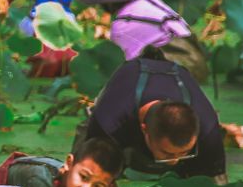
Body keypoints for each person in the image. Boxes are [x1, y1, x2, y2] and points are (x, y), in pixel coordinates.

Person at [76, 52, 226, 180]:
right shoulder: (109, 122)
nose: (174, 161)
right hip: (125, 105)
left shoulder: (207, 126)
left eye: (185, 152)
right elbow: (95, 181)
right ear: (144, 130)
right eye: (167, 153)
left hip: (176, 76)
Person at [75, 0, 208, 81]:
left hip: (178, 71)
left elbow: (123, 69)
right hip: (198, 62)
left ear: (108, 1)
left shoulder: (122, 25)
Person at [19, 0, 79, 78]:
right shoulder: (69, 17)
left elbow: (23, 45)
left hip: (41, 65)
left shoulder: (27, 21)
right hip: (65, 61)